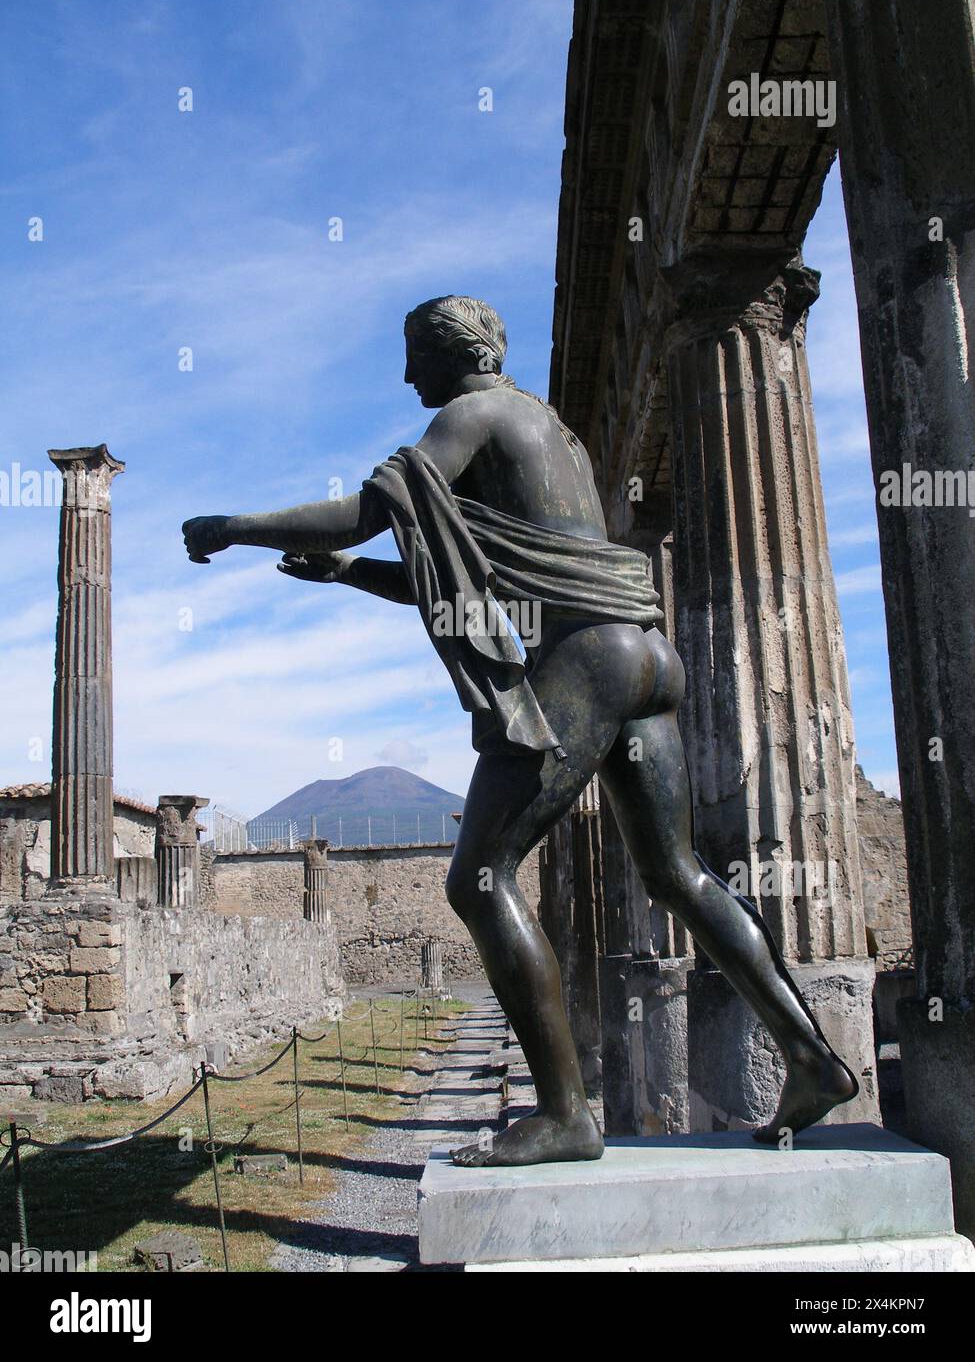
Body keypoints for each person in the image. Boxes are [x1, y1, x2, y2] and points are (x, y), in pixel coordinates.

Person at [183, 295, 858, 1167]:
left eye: (411, 354)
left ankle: (564, 1114)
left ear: (451, 351)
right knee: (679, 874)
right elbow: (476, 584)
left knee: (480, 878)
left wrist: (230, 528)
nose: (405, 376)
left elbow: (362, 511)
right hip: (644, 654)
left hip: (583, 662)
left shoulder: (472, 414)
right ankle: (811, 1057)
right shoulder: (551, 431)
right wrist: (351, 577)